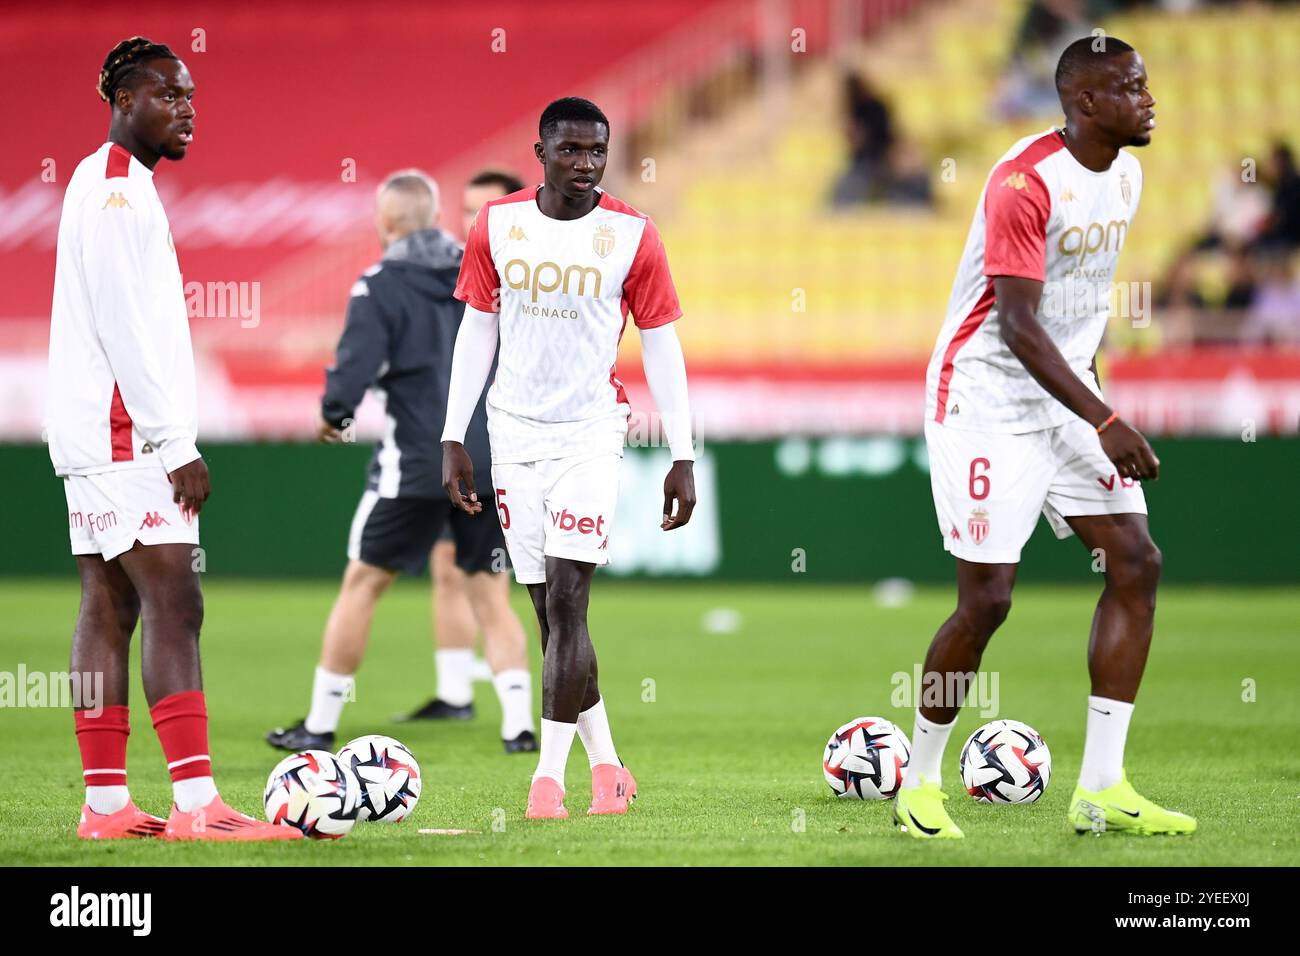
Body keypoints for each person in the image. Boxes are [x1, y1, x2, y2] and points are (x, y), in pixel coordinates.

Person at [899, 37, 1195, 839]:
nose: (1149, 97)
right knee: (987, 601)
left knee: (1136, 560)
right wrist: (1104, 418)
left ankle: (1103, 785)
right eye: (1132, 87)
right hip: (985, 397)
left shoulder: (1126, 173)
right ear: (1087, 104)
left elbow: (1078, 310)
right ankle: (920, 784)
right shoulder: (1023, 185)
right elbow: (1020, 325)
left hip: (1066, 394)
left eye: (1146, 81)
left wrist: (1094, 399)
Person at [49, 37, 298, 841]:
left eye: (189, 95)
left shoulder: (98, 178)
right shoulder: (121, 192)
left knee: (107, 602)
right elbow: (124, 322)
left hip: (92, 430)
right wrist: (170, 440)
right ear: (125, 102)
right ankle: (199, 807)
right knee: (173, 599)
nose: (186, 110)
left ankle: (107, 806)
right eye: (168, 96)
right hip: (127, 434)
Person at [441, 97, 696, 819]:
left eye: (596, 152)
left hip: (590, 431)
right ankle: (610, 765)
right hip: (512, 434)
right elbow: (477, 331)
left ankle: (547, 782)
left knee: (569, 597)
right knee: (552, 620)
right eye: (570, 151)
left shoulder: (631, 235)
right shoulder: (499, 226)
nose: (585, 165)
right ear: (540, 152)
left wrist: (683, 453)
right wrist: (453, 434)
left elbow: (662, 341)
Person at [266, 169, 536, 754]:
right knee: (491, 592)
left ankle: (318, 722)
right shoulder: (482, 275)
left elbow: (352, 373)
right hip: (488, 459)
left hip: (415, 463)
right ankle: (518, 726)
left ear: (385, 223)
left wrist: (333, 419)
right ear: (437, 216)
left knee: (362, 584)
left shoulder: (378, 286)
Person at [409, 168, 530, 726]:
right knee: (444, 567)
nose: (474, 221)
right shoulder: (449, 275)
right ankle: (456, 694)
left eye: (487, 208)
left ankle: (521, 715)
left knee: (491, 582)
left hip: (501, 442)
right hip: (449, 444)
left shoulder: (532, 278)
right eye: (467, 209)